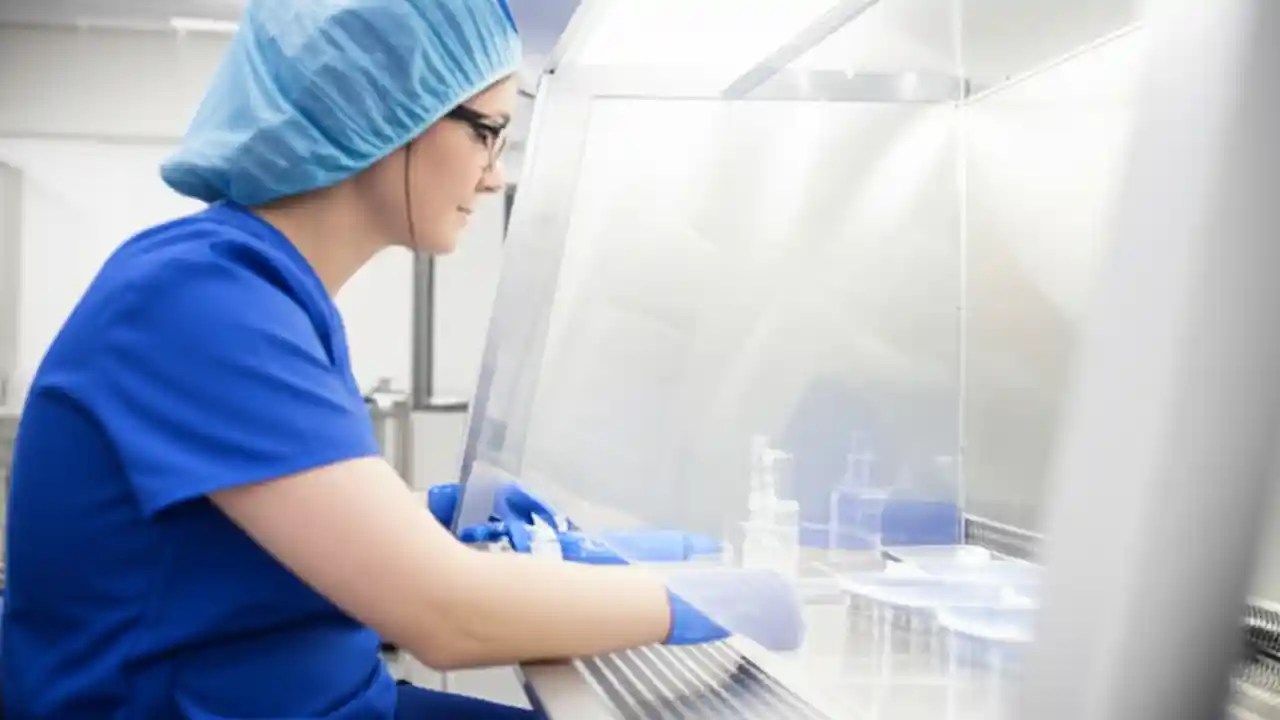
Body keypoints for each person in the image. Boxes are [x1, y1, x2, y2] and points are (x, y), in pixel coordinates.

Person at [0, 1, 801, 718]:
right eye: (487, 131)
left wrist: (425, 516)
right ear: (386, 106)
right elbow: (446, 617)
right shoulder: (200, 301)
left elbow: (237, 537)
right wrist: (689, 599)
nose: (495, 176)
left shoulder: (260, 291)